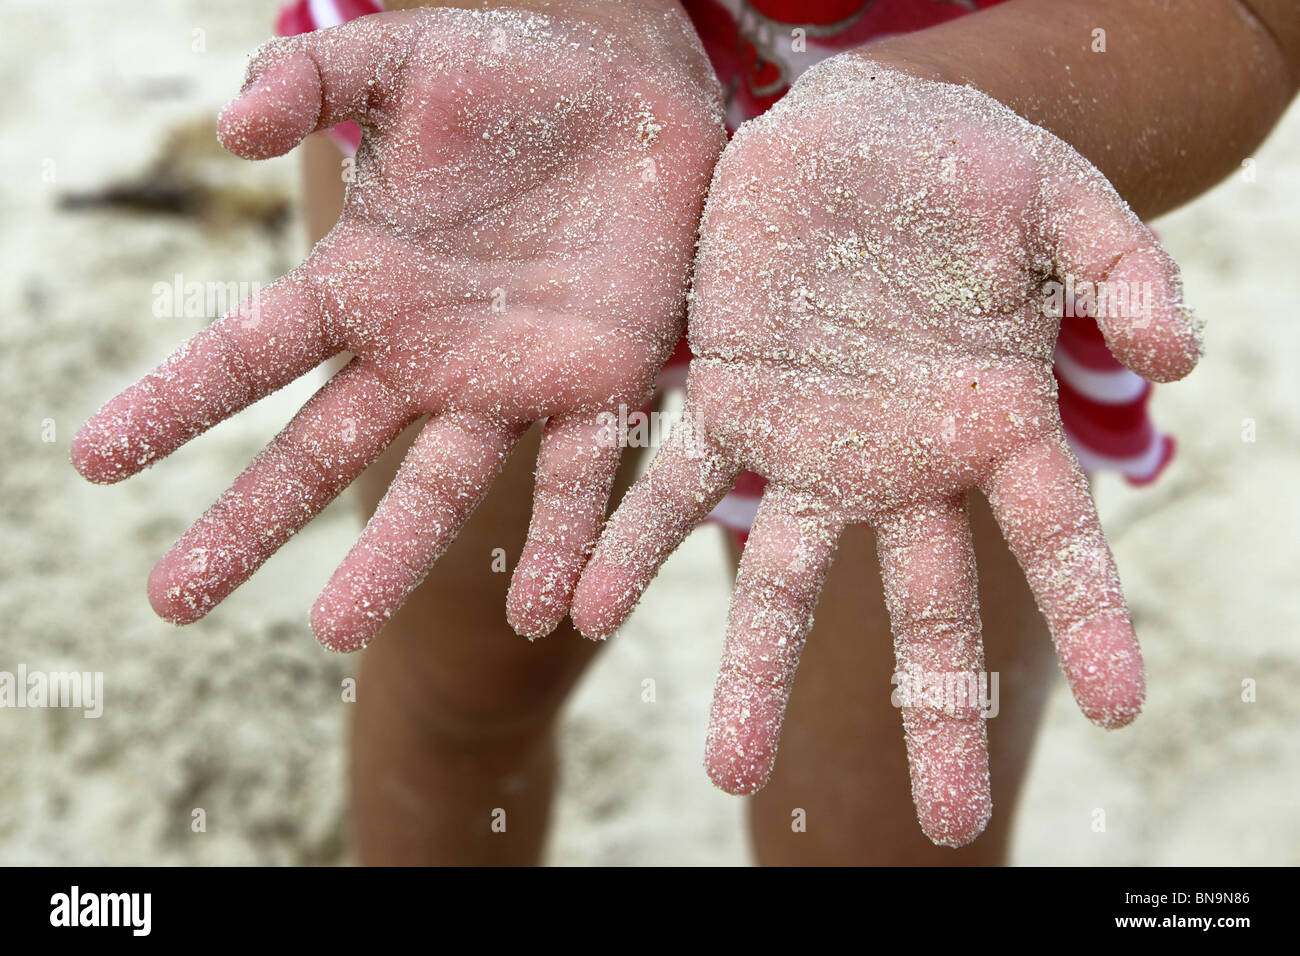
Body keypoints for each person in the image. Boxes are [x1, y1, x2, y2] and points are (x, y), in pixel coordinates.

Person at [72, 0, 1300, 864]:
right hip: (505, 121)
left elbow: (1249, 15)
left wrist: (947, 109)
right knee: (459, 685)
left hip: (939, 202)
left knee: (892, 828)